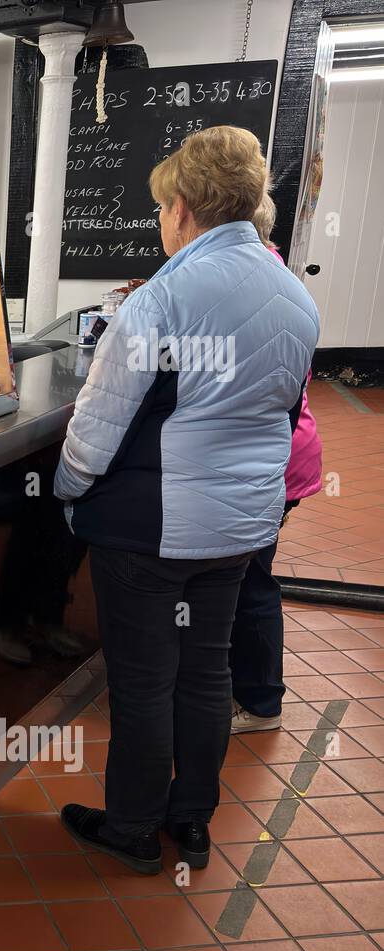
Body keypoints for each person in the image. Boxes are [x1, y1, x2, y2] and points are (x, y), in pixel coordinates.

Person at [53, 127, 320, 874]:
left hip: (152, 533)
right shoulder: (295, 297)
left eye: (161, 208)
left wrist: (70, 496)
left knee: (143, 685)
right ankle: (191, 823)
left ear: (182, 207)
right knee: (206, 674)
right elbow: (283, 410)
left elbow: (94, 433)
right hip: (240, 528)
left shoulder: (161, 300)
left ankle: (134, 828)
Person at [230, 193, 323, 734]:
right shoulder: (275, 276)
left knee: (250, 582)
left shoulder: (255, 286)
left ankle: (260, 701)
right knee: (248, 578)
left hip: (274, 461)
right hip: (284, 454)